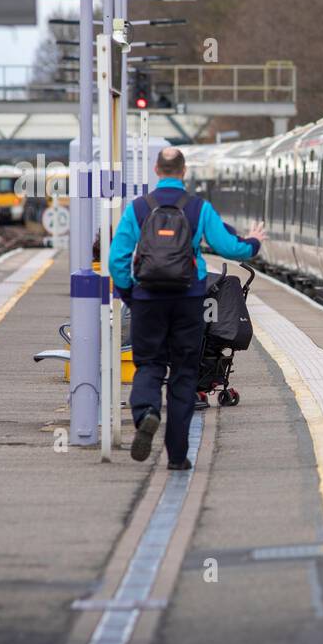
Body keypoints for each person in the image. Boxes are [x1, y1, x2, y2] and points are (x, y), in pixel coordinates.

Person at [109, 147, 266, 468]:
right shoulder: (198, 208)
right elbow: (229, 248)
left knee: (149, 365)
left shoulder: (138, 209)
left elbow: (116, 260)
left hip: (148, 300)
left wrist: (130, 295)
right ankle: (177, 457)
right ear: (184, 172)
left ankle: (146, 414)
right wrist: (253, 242)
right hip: (188, 301)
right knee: (183, 375)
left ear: (157, 169)